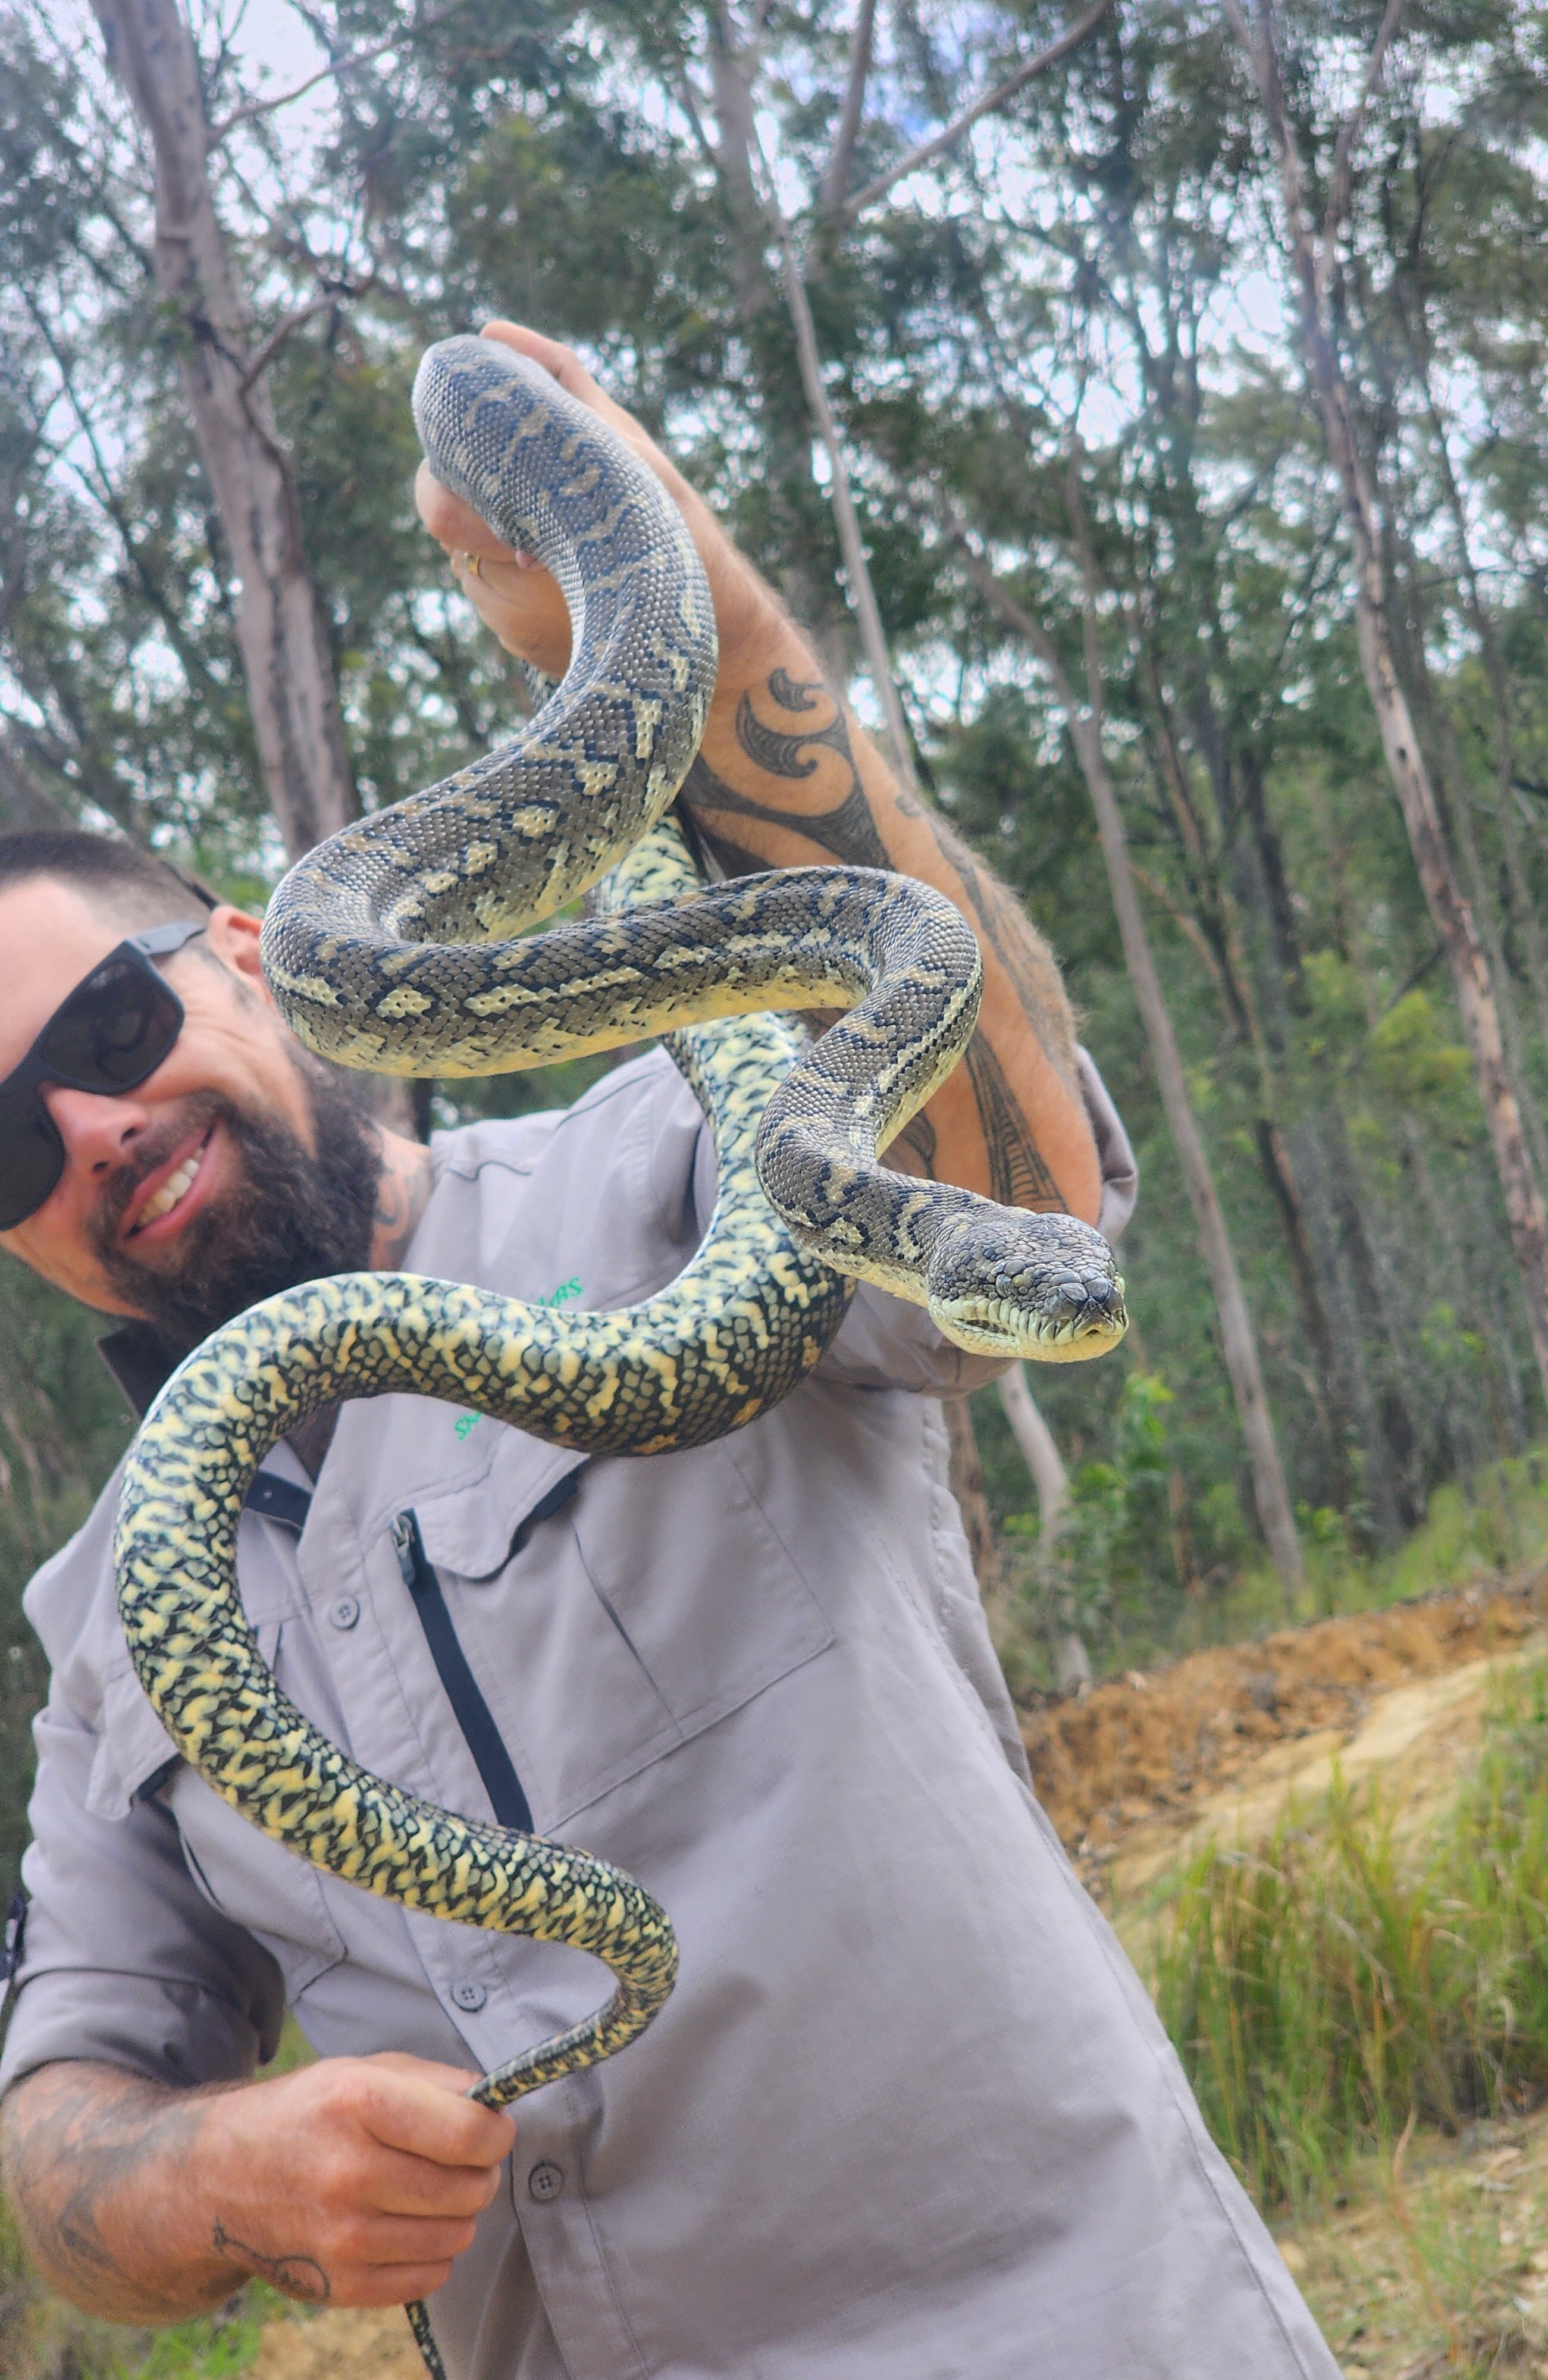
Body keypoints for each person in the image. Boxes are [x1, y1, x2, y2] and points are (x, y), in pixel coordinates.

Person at [0, 321, 1340, 2379]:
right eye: (11, 1138)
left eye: (109, 1032)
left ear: (256, 955)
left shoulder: (695, 1173)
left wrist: (690, 617)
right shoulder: (115, 1613)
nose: (96, 1125)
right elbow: (62, 2122)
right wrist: (214, 2178)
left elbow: (1038, 1192)